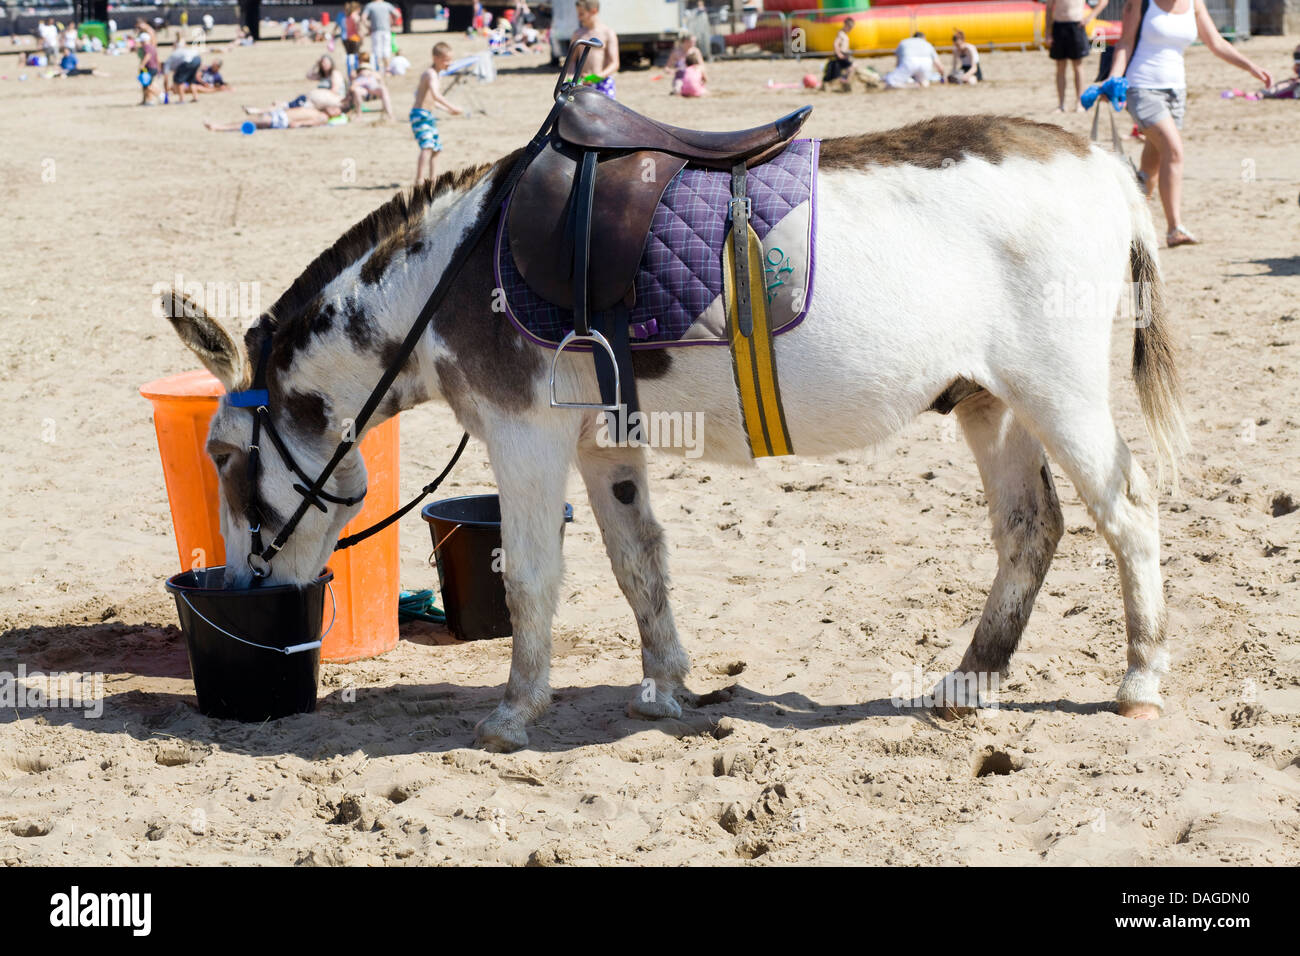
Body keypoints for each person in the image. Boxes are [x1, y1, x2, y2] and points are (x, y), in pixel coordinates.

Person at [1101, 0, 1271, 247]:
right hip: (1141, 88)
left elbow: (1216, 42)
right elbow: (1125, 42)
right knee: (1174, 149)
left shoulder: (1194, 3)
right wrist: (1112, 79)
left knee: (1151, 167)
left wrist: (1251, 66)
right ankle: (1174, 229)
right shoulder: (1141, 1)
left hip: (1177, 93)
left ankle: (1129, 225)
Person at [410, 41, 462, 184]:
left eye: (450, 60)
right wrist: (452, 106)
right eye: (446, 60)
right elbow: (436, 95)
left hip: (428, 115)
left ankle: (432, 179)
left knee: (436, 149)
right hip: (419, 115)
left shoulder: (437, 75)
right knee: (427, 147)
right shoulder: (430, 74)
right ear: (435, 58)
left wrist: (447, 110)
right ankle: (419, 180)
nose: (449, 63)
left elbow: (433, 100)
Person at [1047, 0, 1103, 110]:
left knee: (1078, 66)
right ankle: (1061, 104)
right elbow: (1048, 8)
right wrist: (1048, 33)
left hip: (1076, 25)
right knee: (1060, 67)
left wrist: (1089, 18)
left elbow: (1103, 2)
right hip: (1058, 26)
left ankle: (1079, 103)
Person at [567, 0, 618, 98]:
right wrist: (571, 76)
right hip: (582, 83)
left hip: (603, 83)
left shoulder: (608, 33)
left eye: (581, 14)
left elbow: (614, 63)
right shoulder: (578, 34)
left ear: (593, 11)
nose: (579, 17)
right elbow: (571, 61)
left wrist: (599, 76)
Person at [206, 103, 341, 132]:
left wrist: (300, 124)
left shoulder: (322, 116)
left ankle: (219, 127)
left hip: (283, 120)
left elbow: (311, 122)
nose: (333, 108)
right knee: (253, 121)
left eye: (336, 110)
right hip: (281, 115)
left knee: (251, 122)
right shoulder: (317, 109)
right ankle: (221, 126)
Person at [346, 51, 394, 119]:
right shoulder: (355, 71)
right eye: (361, 60)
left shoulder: (372, 70)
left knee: (384, 89)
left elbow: (380, 78)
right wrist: (359, 74)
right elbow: (352, 79)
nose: (363, 62)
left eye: (365, 60)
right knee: (356, 91)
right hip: (362, 89)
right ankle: (359, 115)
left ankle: (390, 114)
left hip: (372, 88)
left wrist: (370, 73)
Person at [361, 0, 398, 75]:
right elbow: (397, 14)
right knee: (386, 49)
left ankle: (378, 69)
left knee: (376, 50)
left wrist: (368, 27)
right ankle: (387, 70)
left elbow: (363, 18)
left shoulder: (370, 5)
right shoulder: (387, 5)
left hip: (375, 31)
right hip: (386, 30)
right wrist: (393, 24)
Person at [135, 19, 161, 105]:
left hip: (148, 66)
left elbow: (148, 55)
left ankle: (158, 97)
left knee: (147, 84)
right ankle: (145, 100)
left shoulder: (148, 44)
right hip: (148, 66)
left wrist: (142, 65)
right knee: (144, 83)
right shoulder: (146, 43)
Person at [824, 17, 854, 91]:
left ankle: (844, 80)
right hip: (841, 55)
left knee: (843, 69)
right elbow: (835, 44)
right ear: (846, 25)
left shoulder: (844, 34)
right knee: (851, 67)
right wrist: (839, 54)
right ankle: (845, 81)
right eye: (850, 27)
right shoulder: (841, 34)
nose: (851, 29)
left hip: (844, 54)